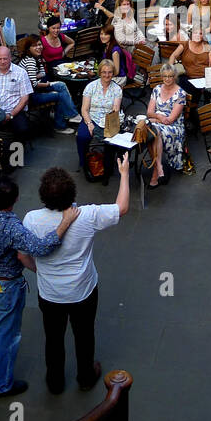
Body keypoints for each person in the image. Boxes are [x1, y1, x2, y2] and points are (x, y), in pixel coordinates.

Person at [0, 145, 77, 399]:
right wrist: (65, 222)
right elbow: (40, 247)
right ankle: (0, 384)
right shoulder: (13, 229)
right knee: (8, 334)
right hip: (7, 283)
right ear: (16, 200)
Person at [22, 157, 129, 395]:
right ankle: (85, 377)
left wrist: (40, 271)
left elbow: (22, 256)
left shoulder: (30, 219)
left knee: (53, 339)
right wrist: (124, 173)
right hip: (83, 290)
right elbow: (121, 208)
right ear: (72, 193)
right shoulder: (87, 215)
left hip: (50, 294)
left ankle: (55, 382)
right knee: (84, 335)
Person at [19, 35, 81, 134]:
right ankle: (62, 124)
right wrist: (47, 84)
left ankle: (71, 115)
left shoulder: (37, 57)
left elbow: (43, 73)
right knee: (60, 95)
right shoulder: (30, 61)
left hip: (36, 88)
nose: (38, 47)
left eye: (39, 45)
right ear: (28, 48)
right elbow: (34, 84)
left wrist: (34, 76)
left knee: (61, 85)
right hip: (30, 95)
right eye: (34, 46)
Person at [77, 59, 123, 181]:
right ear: (100, 72)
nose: (107, 75)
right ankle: (84, 163)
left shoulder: (117, 89)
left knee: (111, 140)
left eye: (109, 72)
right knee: (82, 136)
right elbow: (84, 109)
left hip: (109, 120)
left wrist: (109, 125)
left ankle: (107, 167)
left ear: (113, 73)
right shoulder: (91, 87)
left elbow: (115, 109)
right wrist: (89, 123)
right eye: (104, 72)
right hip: (92, 118)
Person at [146, 64, 188, 186]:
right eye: (165, 76)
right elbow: (149, 112)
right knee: (153, 132)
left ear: (175, 76)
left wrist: (154, 119)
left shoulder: (180, 93)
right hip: (159, 122)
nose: (167, 79)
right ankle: (158, 167)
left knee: (154, 131)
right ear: (161, 76)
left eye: (170, 76)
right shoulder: (157, 89)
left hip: (175, 127)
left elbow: (170, 119)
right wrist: (158, 117)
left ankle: (157, 169)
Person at [0, 45, 33, 146]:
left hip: (14, 111)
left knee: (22, 129)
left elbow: (25, 98)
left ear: (10, 58)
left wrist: (10, 115)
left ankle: (16, 158)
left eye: (5, 59)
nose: (2, 62)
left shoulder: (21, 73)